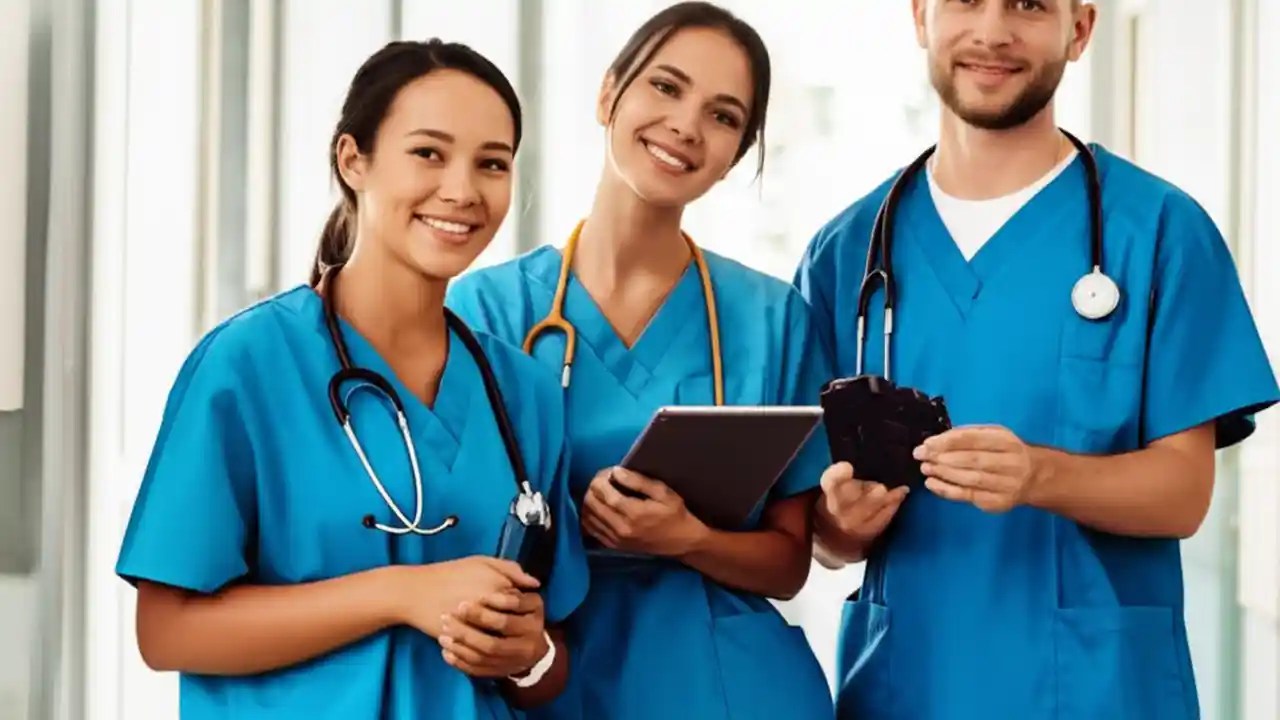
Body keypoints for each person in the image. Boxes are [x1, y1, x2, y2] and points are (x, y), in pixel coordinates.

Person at [795, 1, 1280, 718]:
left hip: (1096, 690)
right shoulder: (847, 252)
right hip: (909, 685)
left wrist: (1038, 474)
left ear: (1079, 30)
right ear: (921, 15)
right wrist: (845, 524)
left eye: (1029, 5)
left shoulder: (1160, 232)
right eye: (966, 1)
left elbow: (1184, 494)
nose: (993, 31)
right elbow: (823, 536)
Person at [114, 39, 589, 720]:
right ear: (352, 160)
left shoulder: (523, 394)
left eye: (492, 163)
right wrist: (401, 593)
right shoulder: (247, 365)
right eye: (429, 153)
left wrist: (528, 653)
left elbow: (551, 663)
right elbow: (167, 631)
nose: (462, 189)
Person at [447, 3, 834, 718]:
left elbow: (788, 563)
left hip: (728, 684)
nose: (687, 125)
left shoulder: (769, 318)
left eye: (723, 116)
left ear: (736, 155)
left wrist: (687, 538)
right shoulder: (487, 312)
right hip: (545, 674)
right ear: (608, 93)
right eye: (665, 87)